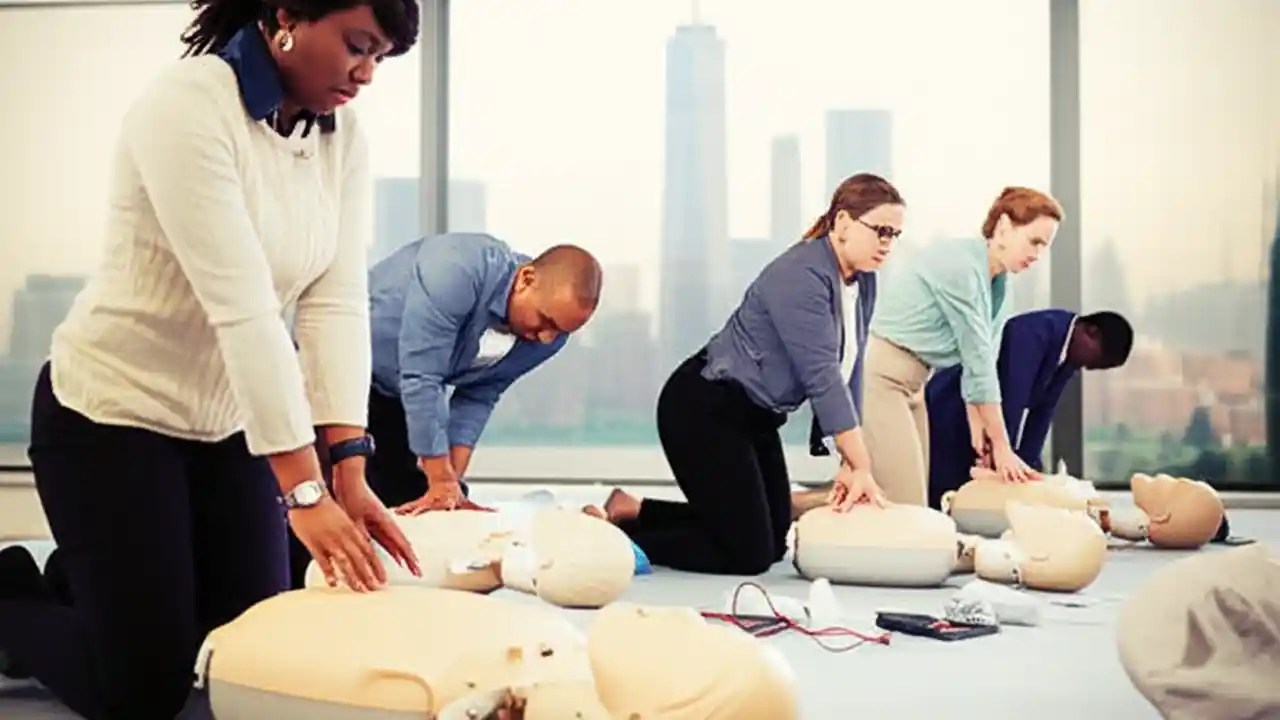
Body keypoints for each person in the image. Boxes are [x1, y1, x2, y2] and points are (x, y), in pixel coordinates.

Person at [0, 0, 421, 717]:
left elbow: (336, 301)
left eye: (381, 56)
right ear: (288, 14)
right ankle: (12, 594)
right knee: (146, 691)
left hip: (228, 426)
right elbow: (245, 308)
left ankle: (91, 576)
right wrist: (304, 492)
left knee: (243, 656)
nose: (367, 74)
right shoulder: (188, 104)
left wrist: (348, 465)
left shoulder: (340, 134)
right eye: (358, 45)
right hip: (113, 416)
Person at [597, 173, 903, 576]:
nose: (887, 243)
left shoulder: (863, 283)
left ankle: (634, 511)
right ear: (843, 222)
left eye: (895, 235)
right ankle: (614, 538)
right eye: (880, 230)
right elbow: (822, 375)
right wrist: (861, 464)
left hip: (755, 418)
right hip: (706, 407)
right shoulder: (801, 276)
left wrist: (850, 462)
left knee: (773, 538)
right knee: (748, 556)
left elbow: (851, 367)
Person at [364, 233, 602, 515]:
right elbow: (423, 376)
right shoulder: (458, 269)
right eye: (546, 320)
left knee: (431, 507)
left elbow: (480, 395)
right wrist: (440, 479)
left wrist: (449, 485)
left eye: (560, 331)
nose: (547, 338)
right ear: (526, 279)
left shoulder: (547, 338)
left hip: (400, 397)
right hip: (341, 375)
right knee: (343, 506)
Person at [857, 186, 1064, 507]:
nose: (1037, 254)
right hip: (881, 379)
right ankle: (800, 510)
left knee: (907, 500)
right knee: (905, 503)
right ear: (1004, 226)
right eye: (1035, 241)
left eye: (1045, 247)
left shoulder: (999, 285)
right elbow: (978, 359)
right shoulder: (961, 267)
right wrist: (1002, 448)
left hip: (914, 386)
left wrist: (979, 433)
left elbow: (979, 365)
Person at [923, 308, 1134, 509]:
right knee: (944, 487)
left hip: (982, 418)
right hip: (951, 408)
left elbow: (1042, 414)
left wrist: (1029, 468)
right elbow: (1012, 399)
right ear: (1091, 332)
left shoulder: (1068, 355)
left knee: (976, 490)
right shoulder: (1035, 333)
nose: (1089, 368)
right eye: (1096, 361)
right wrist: (1005, 457)